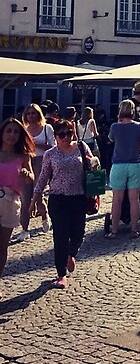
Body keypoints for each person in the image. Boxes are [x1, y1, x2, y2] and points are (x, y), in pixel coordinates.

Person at [31, 118, 97, 289]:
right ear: (56, 136)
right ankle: (61, 274)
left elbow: (93, 166)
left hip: (78, 198)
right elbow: (43, 178)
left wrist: (94, 163)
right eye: (62, 134)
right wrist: (34, 200)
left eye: (69, 133)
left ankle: (71, 254)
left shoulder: (81, 147)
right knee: (60, 236)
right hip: (58, 199)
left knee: (78, 233)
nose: (66, 137)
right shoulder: (50, 154)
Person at [12, 103, 53, 242]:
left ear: (38, 114)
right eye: (28, 113)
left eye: (33, 113)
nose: (31, 116)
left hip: (42, 161)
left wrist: (36, 144)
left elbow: (53, 146)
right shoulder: (24, 129)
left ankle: (44, 215)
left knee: (38, 193)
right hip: (27, 161)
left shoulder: (46, 128)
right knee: (25, 197)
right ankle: (24, 229)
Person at [107, 99, 140, 238]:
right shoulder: (139, 127)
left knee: (117, 199)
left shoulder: (115, 127)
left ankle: (114, 231)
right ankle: (134, 229)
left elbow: (111, 139)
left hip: (118, 164)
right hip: (135, 164)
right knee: (134, 199)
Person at [0, 118, 35, 277]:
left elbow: (31, 178)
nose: (12, 135)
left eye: (16, 132)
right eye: (9, 131)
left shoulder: (23, 156)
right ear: (2, 133)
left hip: (10, 201)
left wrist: (27, 175)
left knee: (2, 246)